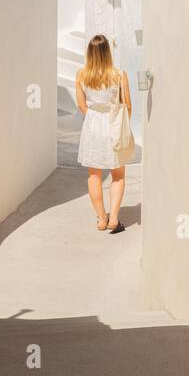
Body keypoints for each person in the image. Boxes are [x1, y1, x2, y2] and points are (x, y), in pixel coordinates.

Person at [75, 34, 133, 234]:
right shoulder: (119, 74)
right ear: (108, 51)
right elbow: (127, 106)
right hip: (113, 125)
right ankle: (114, 219)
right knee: (118, 174)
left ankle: (101, 218)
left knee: (94, 174)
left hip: (92, 127)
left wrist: (93, 116)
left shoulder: (82, 75)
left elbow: (81, 104)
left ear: (89, 53)